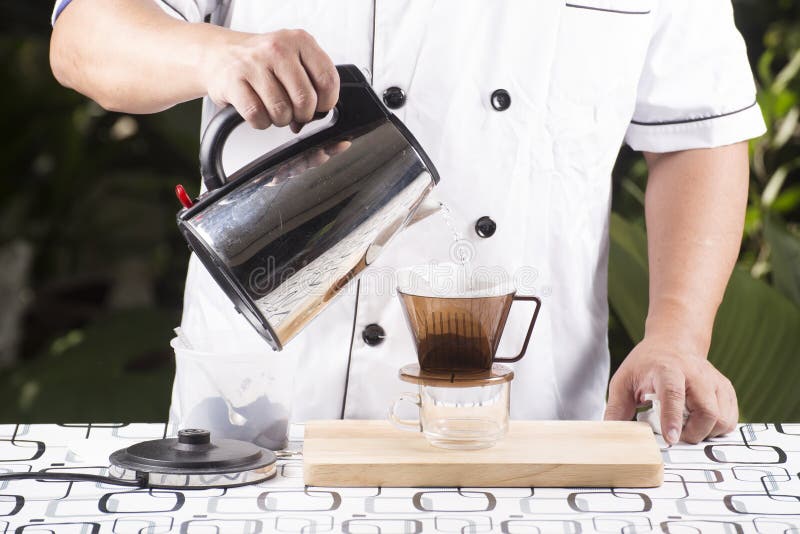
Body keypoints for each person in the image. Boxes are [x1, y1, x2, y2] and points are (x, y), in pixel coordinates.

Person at [50, 0, 765, 448]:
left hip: (529, 431)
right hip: (263, 417)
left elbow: (698, 133)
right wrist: (213, 53)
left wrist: (676, 331)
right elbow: (85, 36)